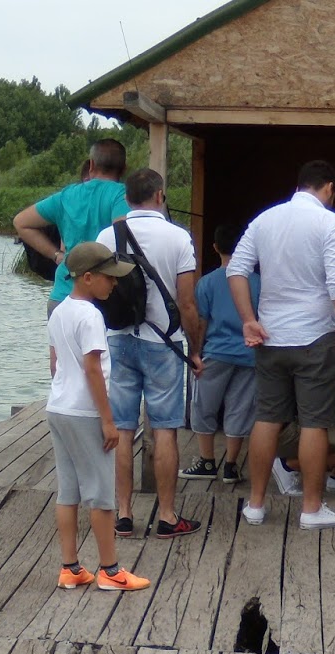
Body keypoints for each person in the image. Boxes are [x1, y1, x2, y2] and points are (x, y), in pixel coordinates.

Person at [228, 159, 335, 531]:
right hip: (316, 336)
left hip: (270, 336)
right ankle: (311, 508)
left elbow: (236, 270)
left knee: (267, 418)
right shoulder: (331, 223)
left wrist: (248, 319)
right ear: (329, 188)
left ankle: (255, 505)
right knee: (315, 424)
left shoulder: (265, 219)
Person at [96, 168, 202, 539]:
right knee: (166, 429)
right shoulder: (179, 238)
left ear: (127, 198)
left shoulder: (107, 236)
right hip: (164, 344)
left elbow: (97, 292)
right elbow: (187, 303)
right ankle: (168, 516)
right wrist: (196, 351)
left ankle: (123, 515)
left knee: (124, 430)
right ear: (160, 195)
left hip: (119, 338)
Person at [46, 242, 151, 592]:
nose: (114, 284)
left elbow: (55, 362)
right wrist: (108, 420)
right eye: (108, 278)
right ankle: (110, 570)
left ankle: (71, 567)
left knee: (69, 491)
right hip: (84, 411)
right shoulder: (91, 315)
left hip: (58, 407)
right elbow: (93, 369)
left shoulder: (60, 310)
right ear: (88, 278)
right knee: (102, 495)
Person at [14, 138, 128, 317]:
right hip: (102, 299)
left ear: (91, 165)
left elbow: (21, 222)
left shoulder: (66, 195)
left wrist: (57, 255)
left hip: (61, 295)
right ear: (124, 169)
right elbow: (124, 233)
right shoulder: (121, 194)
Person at [183, 223, 260, 484]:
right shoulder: (258, 282)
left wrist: (195, 353)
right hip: (250, 354)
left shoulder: (207, 282)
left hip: (216, 353)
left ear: (215, 247)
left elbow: (201, 322)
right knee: (240, 408)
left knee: (204, 406)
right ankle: (231, 466)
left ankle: (206, 461)